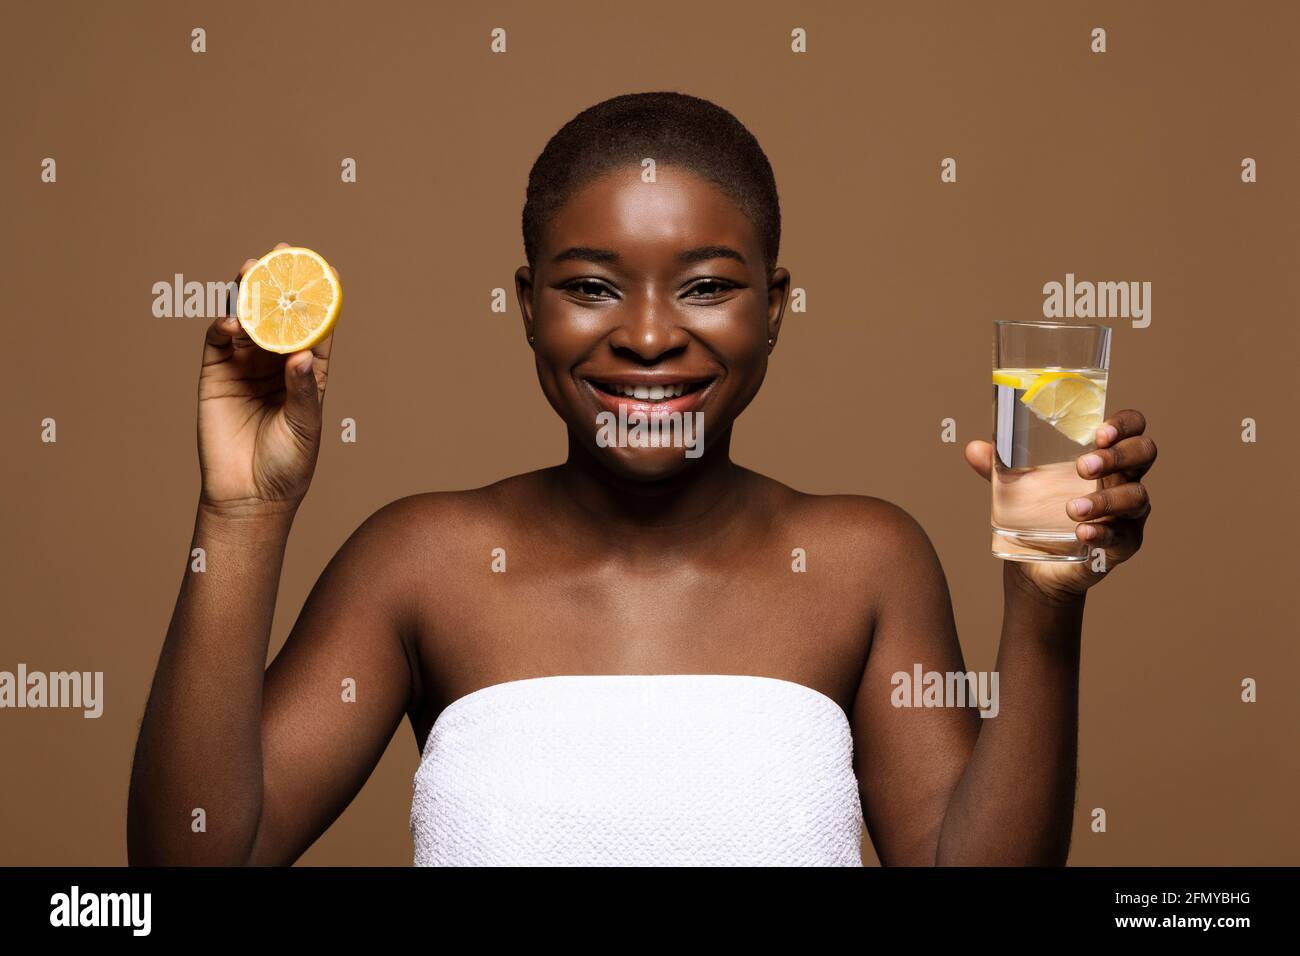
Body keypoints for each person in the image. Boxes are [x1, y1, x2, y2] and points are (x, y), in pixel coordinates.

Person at [127, 91, 1157, 866]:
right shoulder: (420, 562)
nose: (652, 335)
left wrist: (1041, 603)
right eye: (590, 287)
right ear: (528, 306)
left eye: (707, 286)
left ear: (775, 307)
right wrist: (241, 508)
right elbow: (195, 859)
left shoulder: (864, 560)